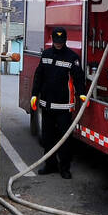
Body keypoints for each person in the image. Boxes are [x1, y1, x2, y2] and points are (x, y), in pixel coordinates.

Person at [29, 26, 87, 179]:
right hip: (47, 105)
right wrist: (34, 95)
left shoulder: (72, 57)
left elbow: (79, 78)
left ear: (65, 40)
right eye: (56, 41)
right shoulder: (46, 54)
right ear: (53, 40)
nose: (58, 44)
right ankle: (50, 165)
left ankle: (64, 168)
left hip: (64, 108)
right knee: (47, 138)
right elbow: (39, 76)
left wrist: (82, 94)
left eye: (61, 41)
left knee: (64, 139)